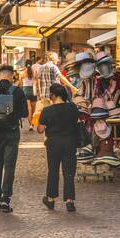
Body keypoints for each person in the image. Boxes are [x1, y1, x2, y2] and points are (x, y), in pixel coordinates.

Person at [0, 63, 29, 211]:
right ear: (11, 76)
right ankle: (5, 199)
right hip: (12, 132)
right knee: (9, 166)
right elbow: (25, 113)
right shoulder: (18, 91)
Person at [38, 82, 81, 212]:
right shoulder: (72, 107)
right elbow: (78, 123)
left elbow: (40, 129)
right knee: (69, 172)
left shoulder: (47, 110)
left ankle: (51, 199)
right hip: (69, 143)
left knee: (53, 171)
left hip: (53, 144)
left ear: (53, 95)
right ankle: (69, 201)